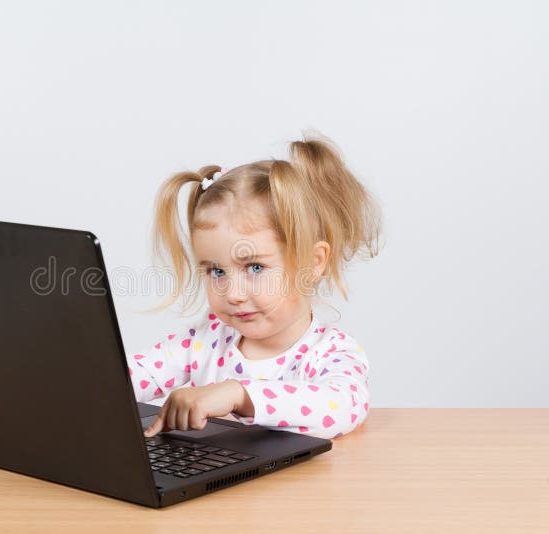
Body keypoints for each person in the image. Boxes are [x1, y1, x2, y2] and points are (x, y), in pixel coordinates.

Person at [128, 132, 383, 440]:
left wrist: (238, 394)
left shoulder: (330, 353)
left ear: (313, 262)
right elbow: (134, 376)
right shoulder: (206, 341)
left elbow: (343, 407)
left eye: (255, 267)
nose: (233, 294)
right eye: (216, 271)